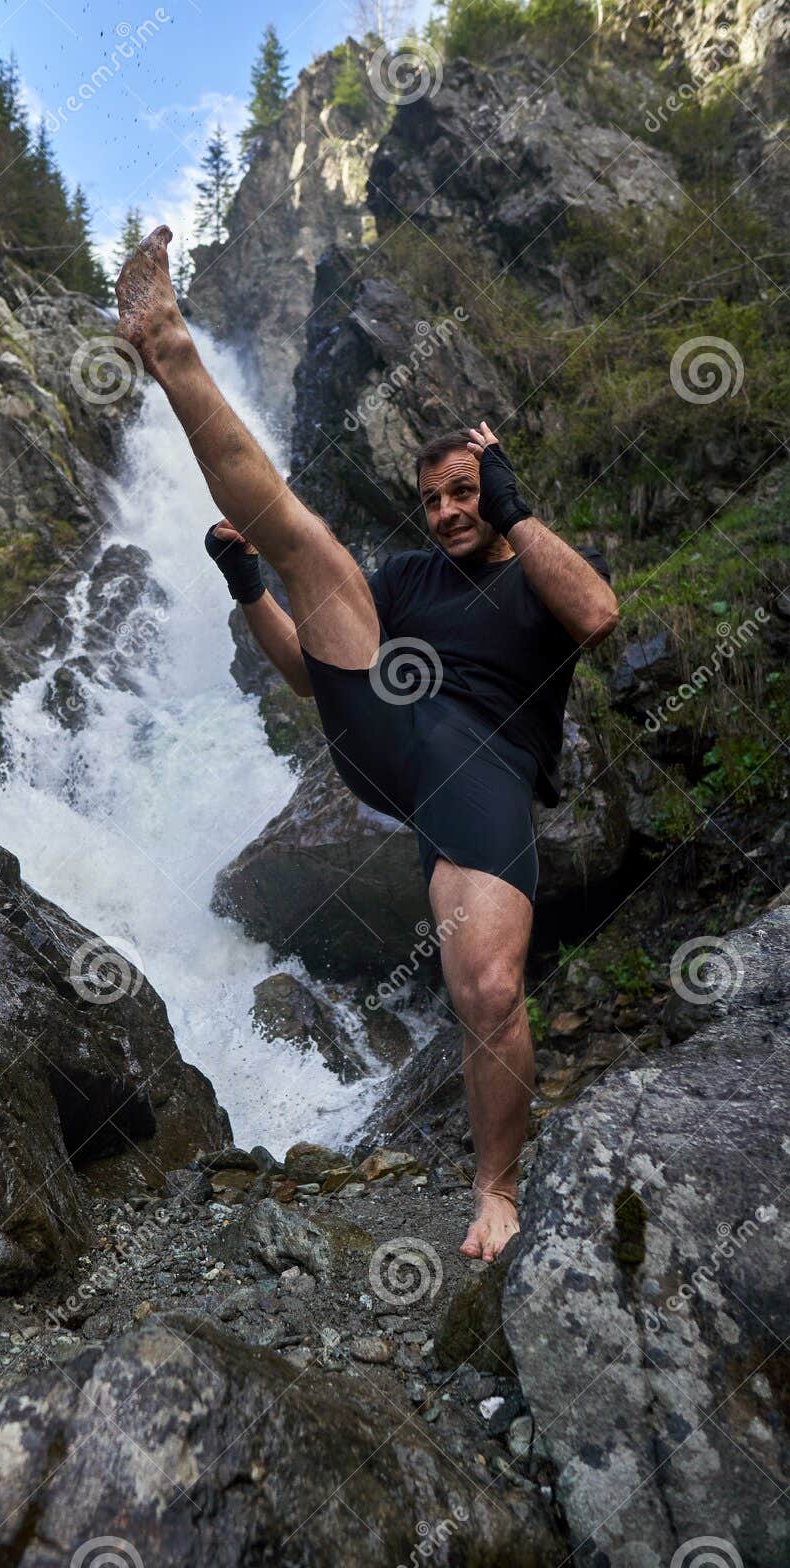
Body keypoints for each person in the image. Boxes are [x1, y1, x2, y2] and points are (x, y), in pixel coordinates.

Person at [116, 225, 619, 1262]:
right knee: (308, 546)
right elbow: (309, 671)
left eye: (460, 494)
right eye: (430, 498)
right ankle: (168, 349)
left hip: (483, 770)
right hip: (389, 737)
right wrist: (251, 589)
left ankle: (494, 1188)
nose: (441, 513)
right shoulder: (402, 580)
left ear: (494, 489)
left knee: (483, 985)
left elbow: (600, 614)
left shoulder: (535, 563)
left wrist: (516, 511)